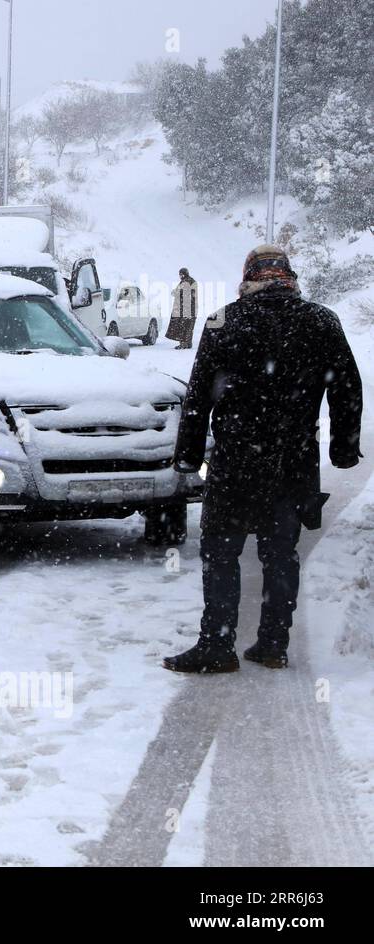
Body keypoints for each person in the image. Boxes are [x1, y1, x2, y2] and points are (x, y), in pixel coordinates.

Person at [165, 245, 363, 673]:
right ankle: (273, 643)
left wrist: (188, 456)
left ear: (247, 277)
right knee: (281, 553)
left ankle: (217, 644)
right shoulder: (321, 320)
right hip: (293, 461)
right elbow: (347, 386)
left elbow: (198, 396)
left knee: (221, 552)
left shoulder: (223, 320)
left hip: (236, 460)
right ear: (289, 276)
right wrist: (343, 450)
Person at [165, 267, 198, 349]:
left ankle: (183, 343)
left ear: (184, 274)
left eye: (181, 274)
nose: (180, 276)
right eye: (180, 274)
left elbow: (180, 292)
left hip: (185, 308)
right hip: (190, 308)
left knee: (183, 326)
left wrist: (175, 292)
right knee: (189, 326)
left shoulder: (186, 282)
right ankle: (188, 343)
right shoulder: (191, 281)